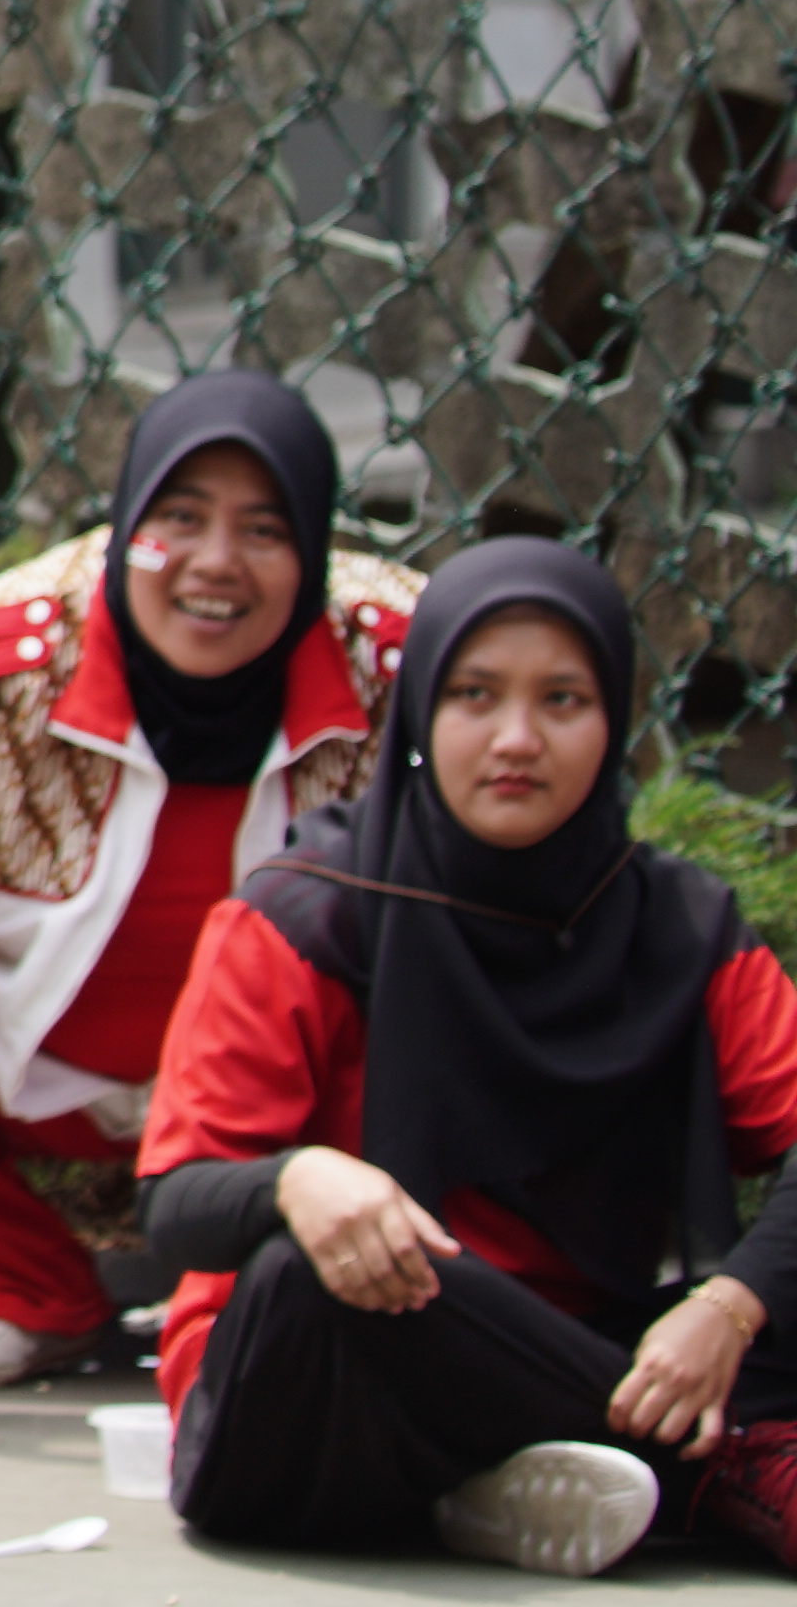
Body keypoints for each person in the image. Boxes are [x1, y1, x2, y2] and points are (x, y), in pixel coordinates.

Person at [0, 372, 420, 1389]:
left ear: (315, 547)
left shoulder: (408, 658)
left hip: (296, 1087)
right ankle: (28, 1292)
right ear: (127, 517)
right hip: (34, 1058)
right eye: (178, 519)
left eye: (265, 530)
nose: (215, 564)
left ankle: (327, 1301)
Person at [136, 538, 797, 1577]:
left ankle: (504, 1486)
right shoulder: (305, 915)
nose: (516, 739)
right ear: (420, 713)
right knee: (304, 1284)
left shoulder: (679, 926)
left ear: (614, 720)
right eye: (476, 695)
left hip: (585, 1353)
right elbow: (174, 1205)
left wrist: (728, 1304)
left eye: (564, 700)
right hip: (327, 1402)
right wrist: (298, 1178)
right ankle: (718, 1473)